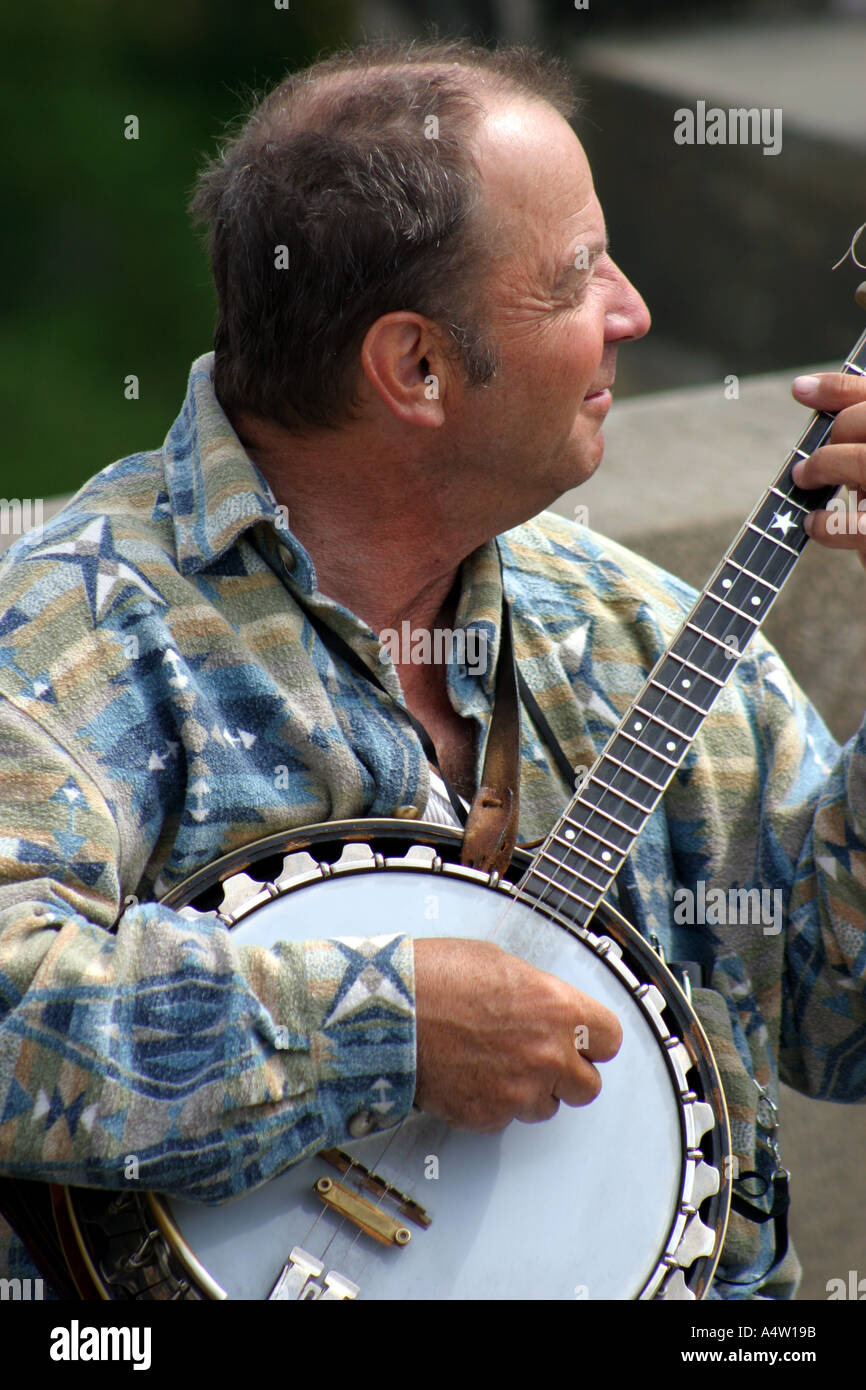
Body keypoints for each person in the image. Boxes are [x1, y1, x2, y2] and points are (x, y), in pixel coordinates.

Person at [1, 37, 864, 1301]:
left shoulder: (631, 629)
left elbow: (839, 1010)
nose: (631, 311)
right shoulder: (74, 636)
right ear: (416, 367)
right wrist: (388, 1026)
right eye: (576, 276)